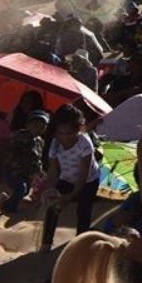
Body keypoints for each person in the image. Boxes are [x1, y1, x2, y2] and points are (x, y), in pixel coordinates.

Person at [39, 105, 101, 250]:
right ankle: (46, 243)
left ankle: (81, 243)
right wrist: (50, 190)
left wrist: (71, 196)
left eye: (69, 133)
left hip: (88, 181)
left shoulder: (85, 144)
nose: (65, 137)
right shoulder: (54, 144)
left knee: (83, 210)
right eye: (61, 133)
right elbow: (54, 170)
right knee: (53, 207)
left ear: (78, 130)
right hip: (66, 178)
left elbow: (83, 174)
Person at [0, 109, 49, 214]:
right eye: (35, 125)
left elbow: (37, 157)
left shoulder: (40, 141)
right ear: (28, 124)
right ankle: (10, 208)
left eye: (42, 126)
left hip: (26, 172)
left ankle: (7, 203)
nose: (38, 128)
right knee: (21, 188)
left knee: (25, 191)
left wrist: (39, 169)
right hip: (13, 169)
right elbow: (8, 149)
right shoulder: (19, 136)